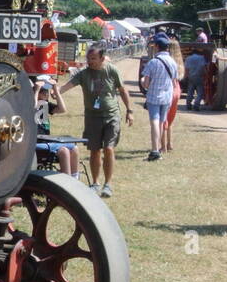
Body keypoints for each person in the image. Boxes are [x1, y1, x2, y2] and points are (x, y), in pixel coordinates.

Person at [60, 44, 133, 196]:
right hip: (92, 117)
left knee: (109, 148)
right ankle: (95, 183)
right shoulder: (84, 74)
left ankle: (108, 184)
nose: (90, 61)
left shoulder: (111, 70)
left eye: (93, 58)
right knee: (95, 151)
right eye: (88, 58)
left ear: (102, 58)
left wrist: (129, 111)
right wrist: (55, 92)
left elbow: (122, 90)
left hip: (111, 115)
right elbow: (66, 86)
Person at [139, 33, 178, 161]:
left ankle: (155, 151)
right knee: (161, 122)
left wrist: (143, 80)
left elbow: (146, 84)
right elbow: (174, 82)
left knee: (155, 122)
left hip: (155, 95)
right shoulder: (173, 62)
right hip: (167, 96)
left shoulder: (153, 62)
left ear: (156, 47)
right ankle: (158, 149)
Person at [33, 76, 80, 179]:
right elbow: (32, 107)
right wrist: (36, 90)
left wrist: (56, 90)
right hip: (36, 142)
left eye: (47, 91)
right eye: (43, 91)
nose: (46, 93)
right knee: (64, 151)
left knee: (74, 148)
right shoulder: (29, 104)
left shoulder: (45, 105)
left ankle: (74, 178)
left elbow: (62, 109)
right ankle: (67, 183)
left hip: (46, 140)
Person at [163, 39, 184, 152]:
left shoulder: (167, 61)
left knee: (163, 119)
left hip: (168, 89)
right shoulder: (179, 62)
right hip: (177, 89)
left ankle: (162, 146)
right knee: (170, 119)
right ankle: (170, 143)